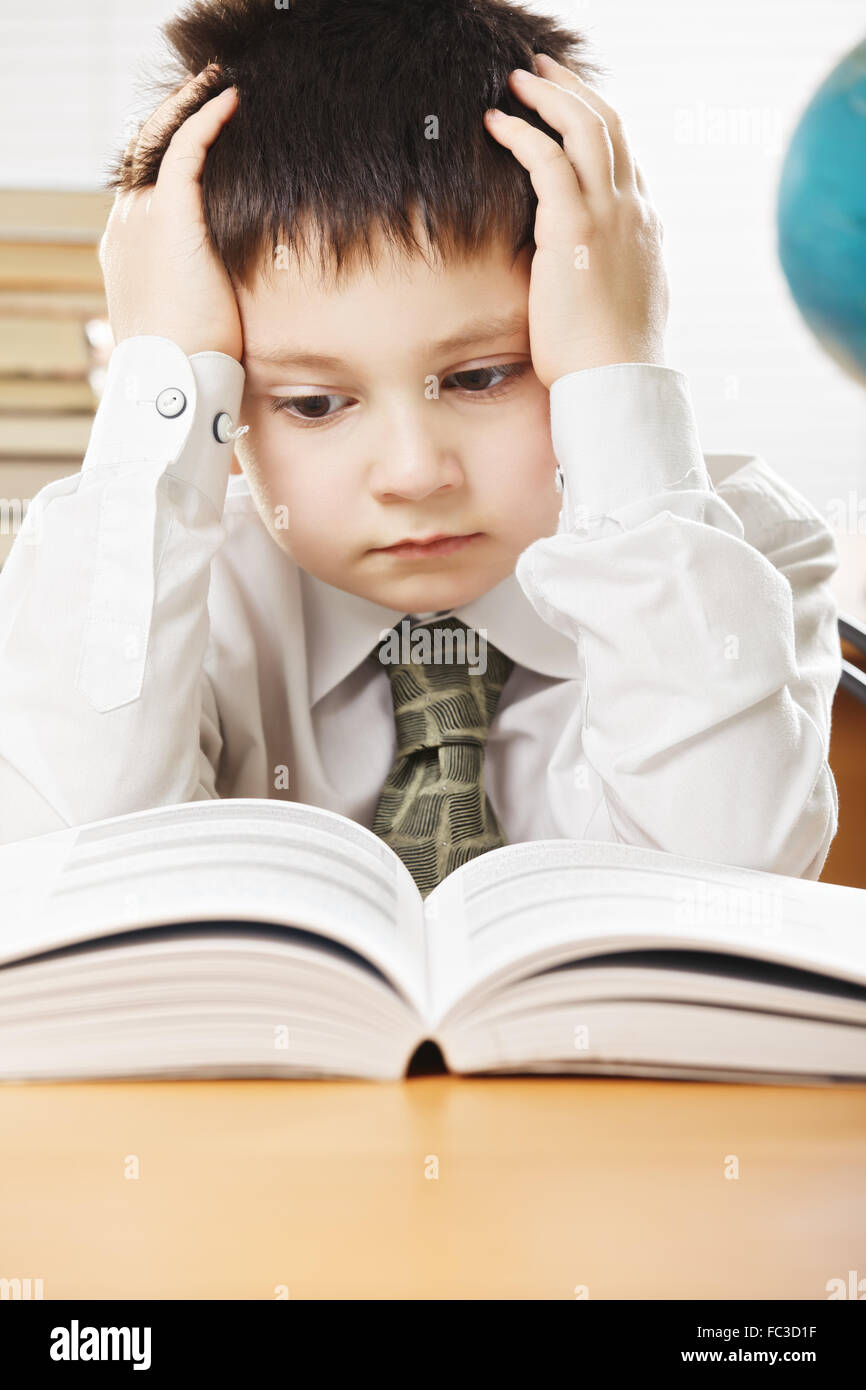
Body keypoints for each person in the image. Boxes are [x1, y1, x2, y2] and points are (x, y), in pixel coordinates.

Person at [0, 0, 842, 891]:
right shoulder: (162, 583)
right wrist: (159, 376)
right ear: (230, 399)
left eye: (484, 377)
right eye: (316, 402)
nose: (414, 474)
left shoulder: (735, 557)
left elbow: (736, 885)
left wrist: (616, 375)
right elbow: (76, 876)